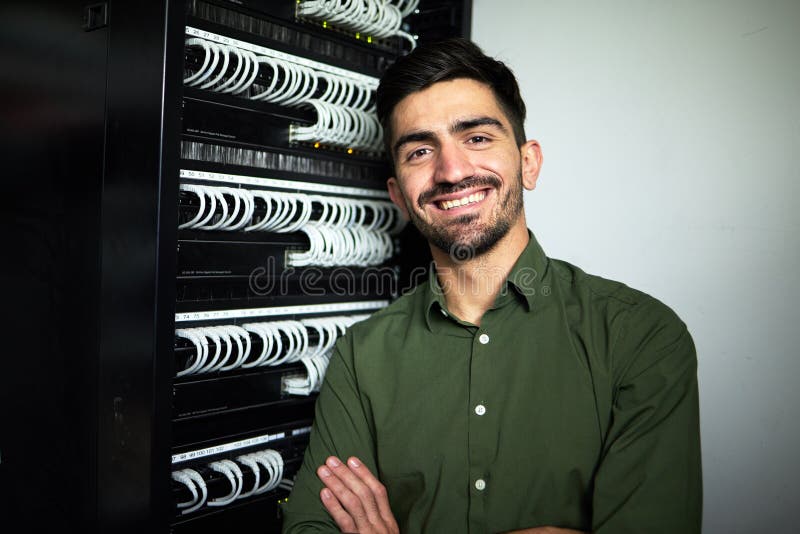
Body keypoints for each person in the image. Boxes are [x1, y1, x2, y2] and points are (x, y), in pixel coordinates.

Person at [281, 38, 702, 534]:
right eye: (420, 150)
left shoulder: (641, 338)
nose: (452, 171)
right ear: (399, 195)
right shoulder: (363, 355)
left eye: (477, 138)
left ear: (529, 163)